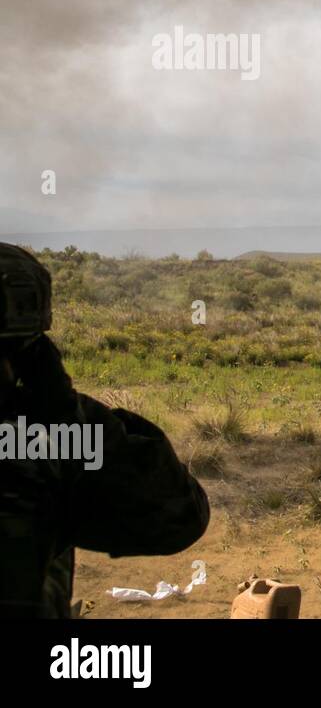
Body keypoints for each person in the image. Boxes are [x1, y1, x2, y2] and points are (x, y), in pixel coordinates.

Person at [0, 243, 210, 617]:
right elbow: (177, 518)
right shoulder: (37, 443)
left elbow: (177, 519)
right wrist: (68, 418)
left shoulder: (35, 439)